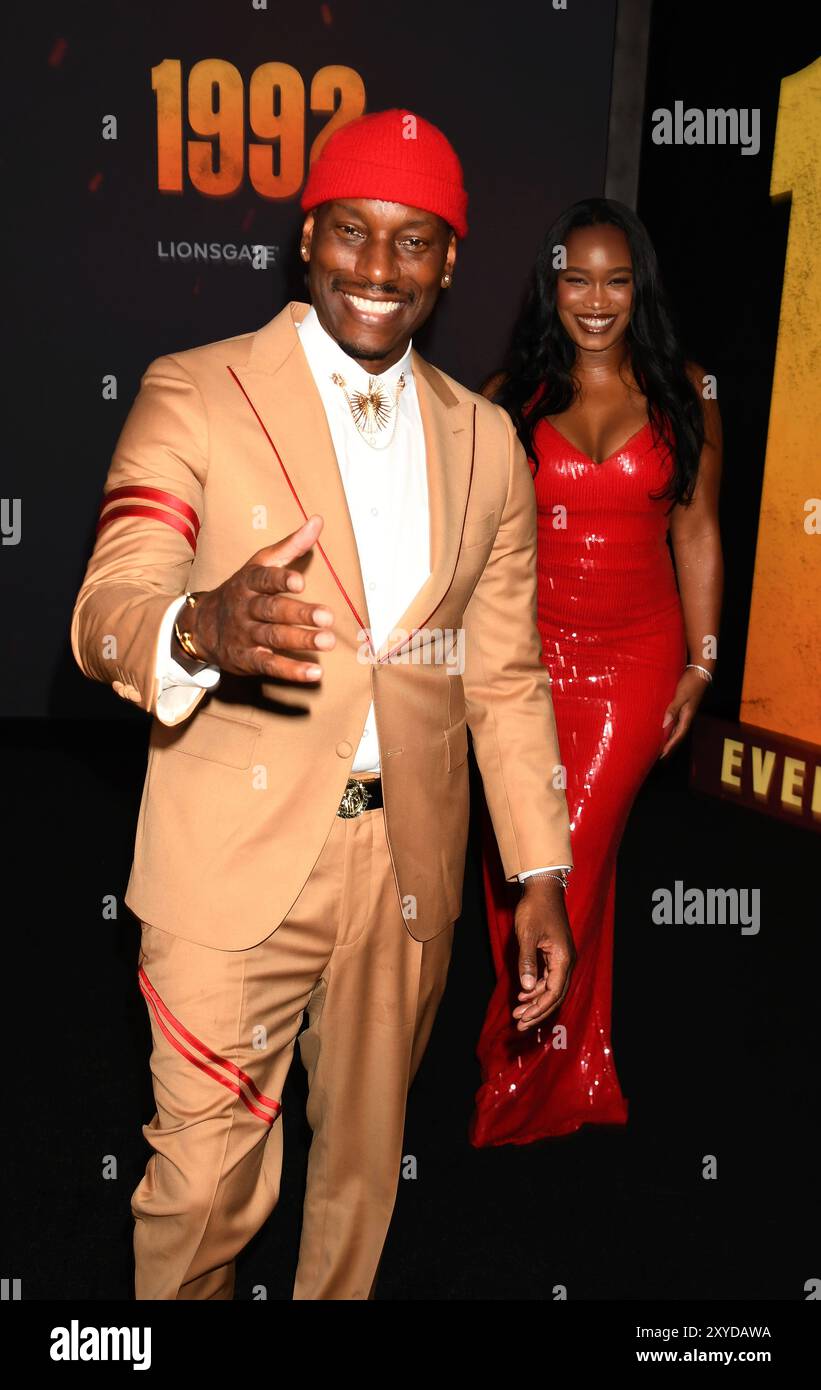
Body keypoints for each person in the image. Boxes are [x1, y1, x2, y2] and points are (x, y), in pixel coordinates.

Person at [71, 108, 574, 1300]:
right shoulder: (194, 391)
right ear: (309, 238)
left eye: (412, 242)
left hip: (405, 868)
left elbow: (501, 675)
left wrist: (539, 873)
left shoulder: (489, 442)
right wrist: (199, 628)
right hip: (232, 857)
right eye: (353, 232)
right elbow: (109, 605)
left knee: (359, 1180)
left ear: (448, 261)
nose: (377, 269)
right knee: (201, 1189)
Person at [471, 198, 723, 1148]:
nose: (595, 298)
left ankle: (518, 1060)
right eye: (575, 276)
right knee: (524, 865)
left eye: (615, 278)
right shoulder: (510, 395)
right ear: (551, 283)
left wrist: (702, 665)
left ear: (638, 287)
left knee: (563, 855)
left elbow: (696, 529)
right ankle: (573, 1061)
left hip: (634, 661)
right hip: (527, 665)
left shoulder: (686, 392)